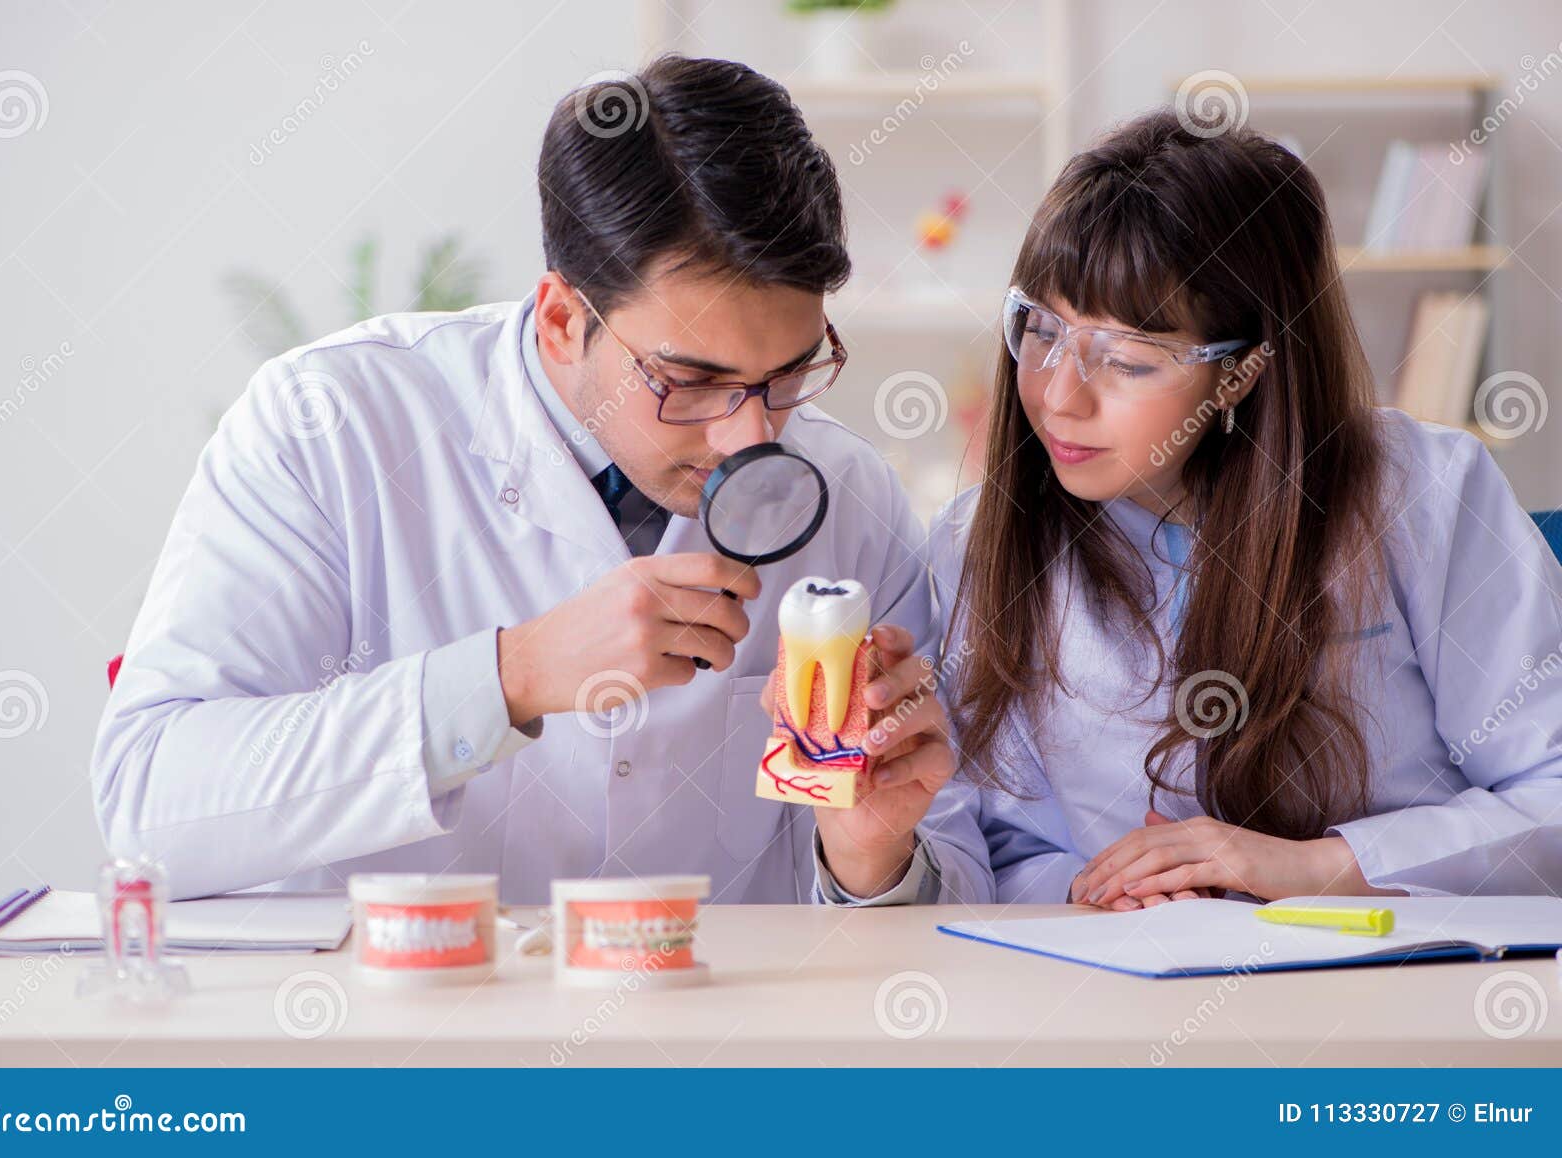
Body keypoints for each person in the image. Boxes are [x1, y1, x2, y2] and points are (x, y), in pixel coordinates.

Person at [91, 56, 962, 903]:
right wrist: (512, 676)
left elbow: (961, 870)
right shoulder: (329, 424)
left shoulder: (847, 489)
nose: (750, 439)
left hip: (704, 1040)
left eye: (785, 377)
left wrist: (870, 862)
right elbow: (152, 804)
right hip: (393, 1033)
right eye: (689, 381)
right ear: (559, 320)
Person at [817, 109, 1562, 906]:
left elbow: (1547, 790)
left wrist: (1315, 868)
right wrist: (1089, 890)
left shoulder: (1424, 491)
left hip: (1402, 988)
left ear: (1242, 373)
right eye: (1040, 331)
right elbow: (995, 852)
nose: (1060, 398)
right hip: (1119, 993)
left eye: (1128, 363)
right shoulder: (976, 540)